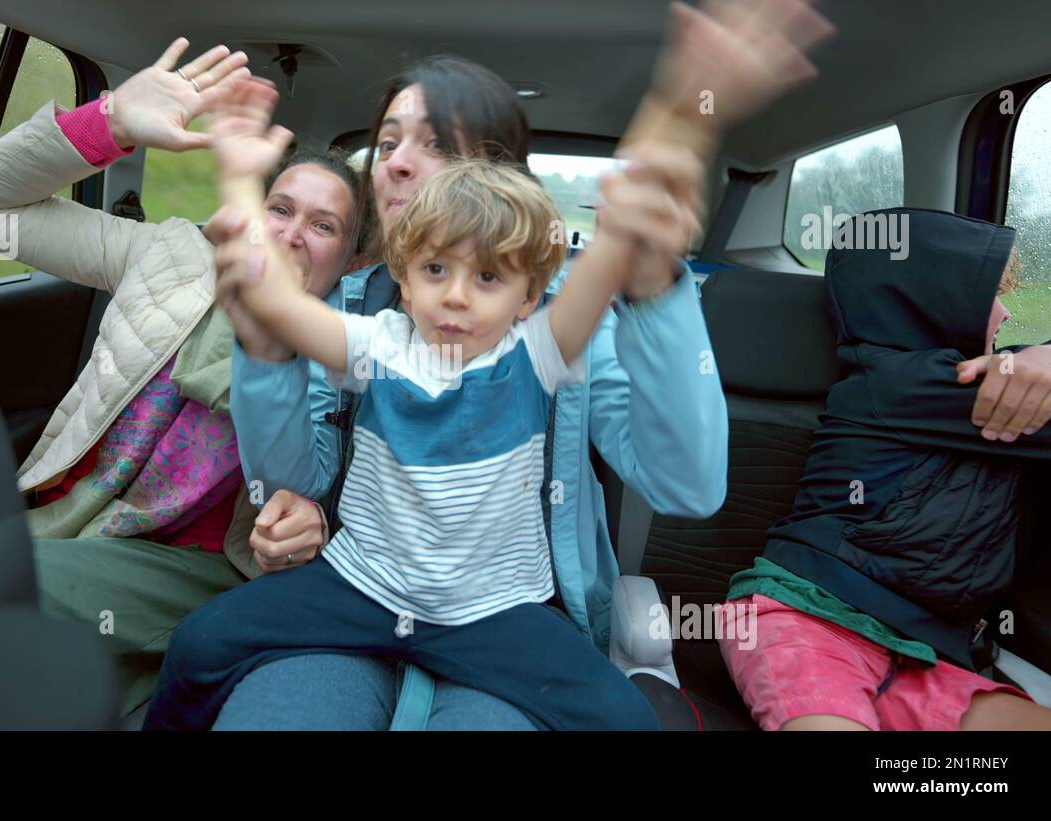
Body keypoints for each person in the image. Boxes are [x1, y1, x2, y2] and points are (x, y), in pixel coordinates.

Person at [151, 0, 837, 729]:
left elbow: (625, 229)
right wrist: (237, 182)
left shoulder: (550, 337)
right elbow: (288, 439)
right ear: (406, 271)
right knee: (200, 643)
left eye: (436, 144)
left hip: (500, 615)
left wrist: (684, 111)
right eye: (386, 143)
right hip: (357, 589)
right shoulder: (364, 323)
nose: (399, 162)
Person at [0, 40, 352, 718]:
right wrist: (109, 122)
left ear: (352, 258)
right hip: (78, 520)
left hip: (202, 569)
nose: (290, 233)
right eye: (279, 208)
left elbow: (306, 482)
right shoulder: (170, 251)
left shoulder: (346, 344)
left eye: (324, 224)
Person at [716, 207, 1051, 731]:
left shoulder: (971, 375)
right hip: (809, 620)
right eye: (991, 297)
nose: (1007, 316)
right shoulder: (895, 384)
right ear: (932, 302)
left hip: (927, 654)